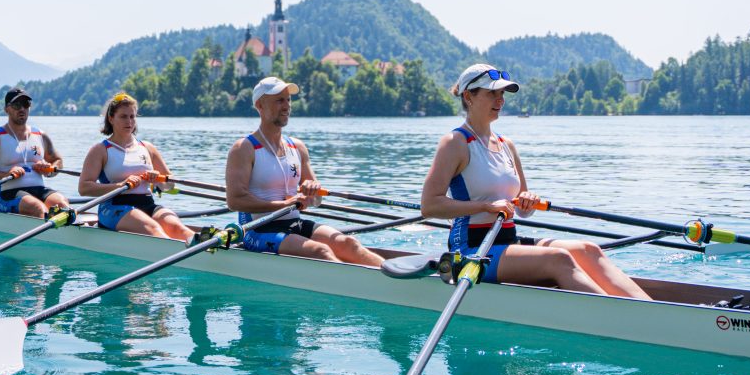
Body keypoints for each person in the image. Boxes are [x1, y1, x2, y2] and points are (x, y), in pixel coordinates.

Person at [420, 64, 652, 298]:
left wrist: (527, 201)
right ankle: (622, 319)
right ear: (469, 96)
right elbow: (430, 205)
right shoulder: (455, 143)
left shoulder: (506, 145)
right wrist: (485, 206)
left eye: (502, 94)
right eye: (492, 93)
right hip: (471, 250)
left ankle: (648, 310)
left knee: (588, 250)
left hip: (507, 241)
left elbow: (523, 211)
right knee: (558, 259)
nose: (500, 100)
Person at [224, 76, 383, 266]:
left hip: (293, 223)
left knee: (349, 243)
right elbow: (235, 201)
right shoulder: (244, 148)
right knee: (321, 251)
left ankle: (396, 280)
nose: (286, 106)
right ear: (260, 105)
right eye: (279, 100)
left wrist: (312, 190)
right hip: (256, 230)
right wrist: (285, 204)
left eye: (288, 100)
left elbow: (317, 200)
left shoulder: (297, 147)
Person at [77, 93, 191, 241]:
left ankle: (205, 251)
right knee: (154, 229)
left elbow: (169, 186)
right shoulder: (100, 150)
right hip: (114, 207)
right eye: (123, 116)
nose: (129, 121)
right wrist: (120, 185)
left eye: (132, 116)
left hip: (147, 204)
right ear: (111, 118)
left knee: (178, 228)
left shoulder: (148, 148)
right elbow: (84, 188)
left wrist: (158, 180)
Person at [0, 87, 69, 218]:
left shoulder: (40, 135)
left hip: (39, 190)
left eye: (26, 104)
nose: (22, 109)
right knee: (39, 209)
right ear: (6, 109)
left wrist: (50, 170)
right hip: (8, 193)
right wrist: (5, 174)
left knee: (63, 205)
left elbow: (58, 161)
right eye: (16, 105)